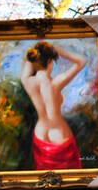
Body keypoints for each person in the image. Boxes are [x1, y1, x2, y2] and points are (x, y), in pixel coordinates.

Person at [20, 41, 87, 170]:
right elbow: (81, 61)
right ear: (50, 61)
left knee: (46, 180)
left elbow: (29, 60)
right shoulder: (56, 82)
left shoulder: (27, 81)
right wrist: (57, 50)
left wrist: (38, 50)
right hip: (59, 133)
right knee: (72, 177)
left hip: (40, 133)